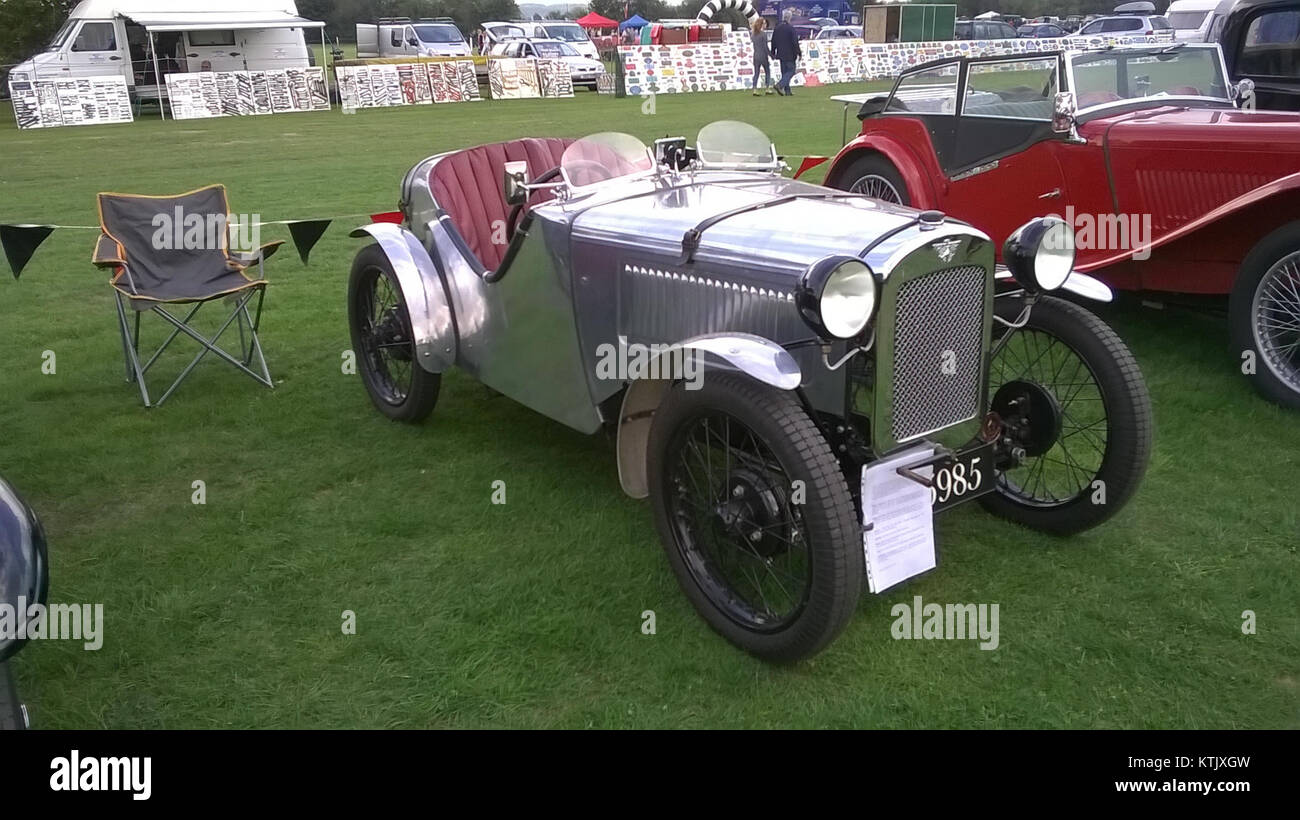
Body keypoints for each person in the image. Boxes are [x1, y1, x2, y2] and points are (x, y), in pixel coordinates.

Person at [770, 12, 801, 96]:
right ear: (790, 18)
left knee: (784, 73)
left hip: (780, 54)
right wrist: (799, 52)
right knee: (791, 71)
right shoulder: (791, 28)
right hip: (790, 54)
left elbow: (773, 41)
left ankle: (787, 91)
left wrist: (773, 52)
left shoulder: (777, 28)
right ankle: (780, 85)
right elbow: (795, 42)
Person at [750, 19, 773, 95]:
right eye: (764, 23)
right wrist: (771, 55)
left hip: (756, 55)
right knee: (767, 72)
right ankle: (767, 88)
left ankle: (754, 89)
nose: (765, 24)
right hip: (763, 56)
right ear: (761, 24)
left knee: (756, 73)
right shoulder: (763, 34)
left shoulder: (753, 34)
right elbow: (765, 47)